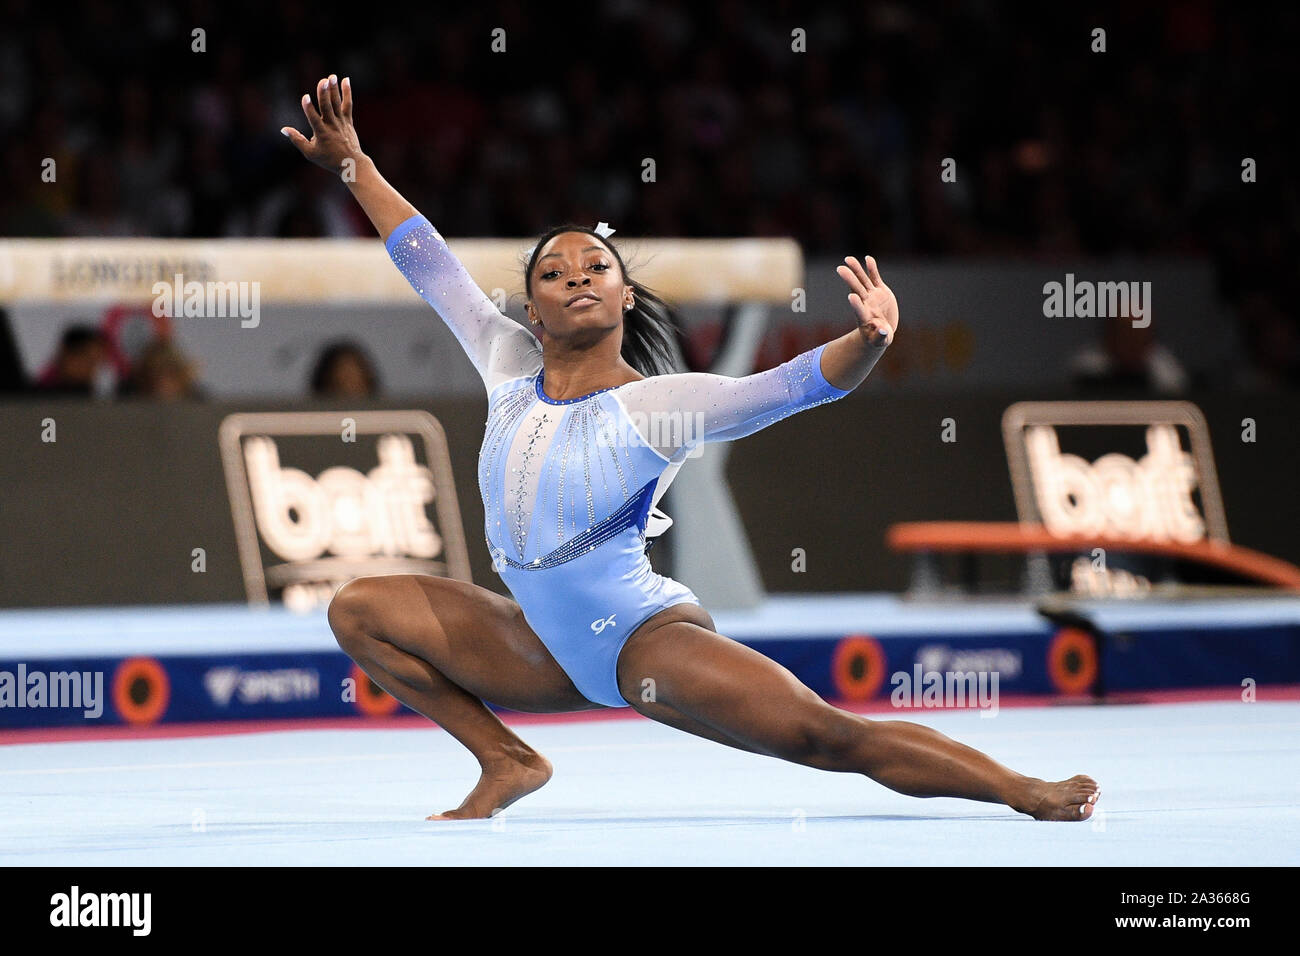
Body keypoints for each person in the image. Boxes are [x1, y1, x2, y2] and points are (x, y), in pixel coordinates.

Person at [283, 74, 1100, 822]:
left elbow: (784, 388)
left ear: (622, 294)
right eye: (553, 272)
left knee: (825, 737)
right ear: (531, 310)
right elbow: (427, 261)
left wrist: (870, 340)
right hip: (538, 647)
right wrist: (352, 163)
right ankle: (505, 756)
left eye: (595, 266)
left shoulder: (655, 406)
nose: (575, 277)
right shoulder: (504, 358)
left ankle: (1022, 791)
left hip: (643, 639)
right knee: (359, 608)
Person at [309, 340, 380, 398]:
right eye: (338, 384)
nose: (349, 389)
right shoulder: (310, 413)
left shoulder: (384, 413)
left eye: (352, 380)